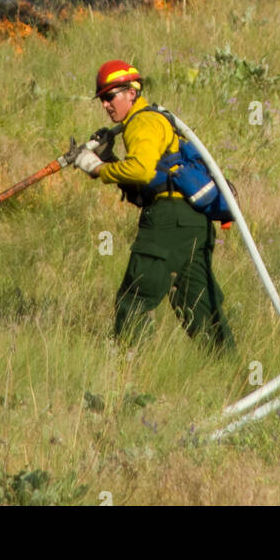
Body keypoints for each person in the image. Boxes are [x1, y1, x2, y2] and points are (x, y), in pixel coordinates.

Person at [73, 60, 234, 351]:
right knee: (196, 303)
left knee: (135, 297)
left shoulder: (142, 122)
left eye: (110, 97)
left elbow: (141, 171)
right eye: (103, 99)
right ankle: (231, 372)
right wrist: (109, 160)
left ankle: (126, 373)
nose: (106, 105)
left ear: (131, 92)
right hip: (192, 221)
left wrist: (98, 169)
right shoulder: (155, 119)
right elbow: (153, 177)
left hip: (168, 222)